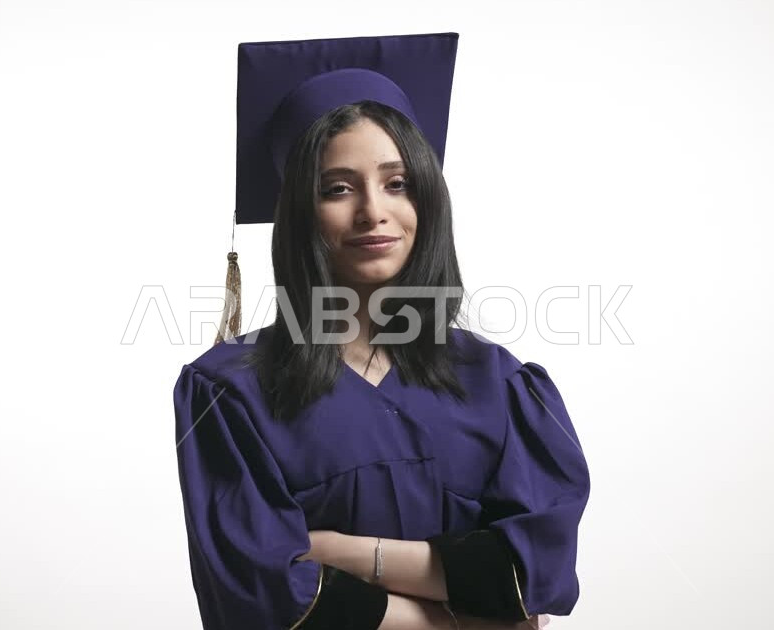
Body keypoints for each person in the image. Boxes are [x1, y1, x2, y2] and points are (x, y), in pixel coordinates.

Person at [173, 32, 591, 630]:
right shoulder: (228, 390)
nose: (374, 211)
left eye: (397, 183)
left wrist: (341, 551)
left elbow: (536, 571)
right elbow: (261, 596)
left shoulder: (497, 381)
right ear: (298, 211)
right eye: (337, 188)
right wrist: (459, 622)